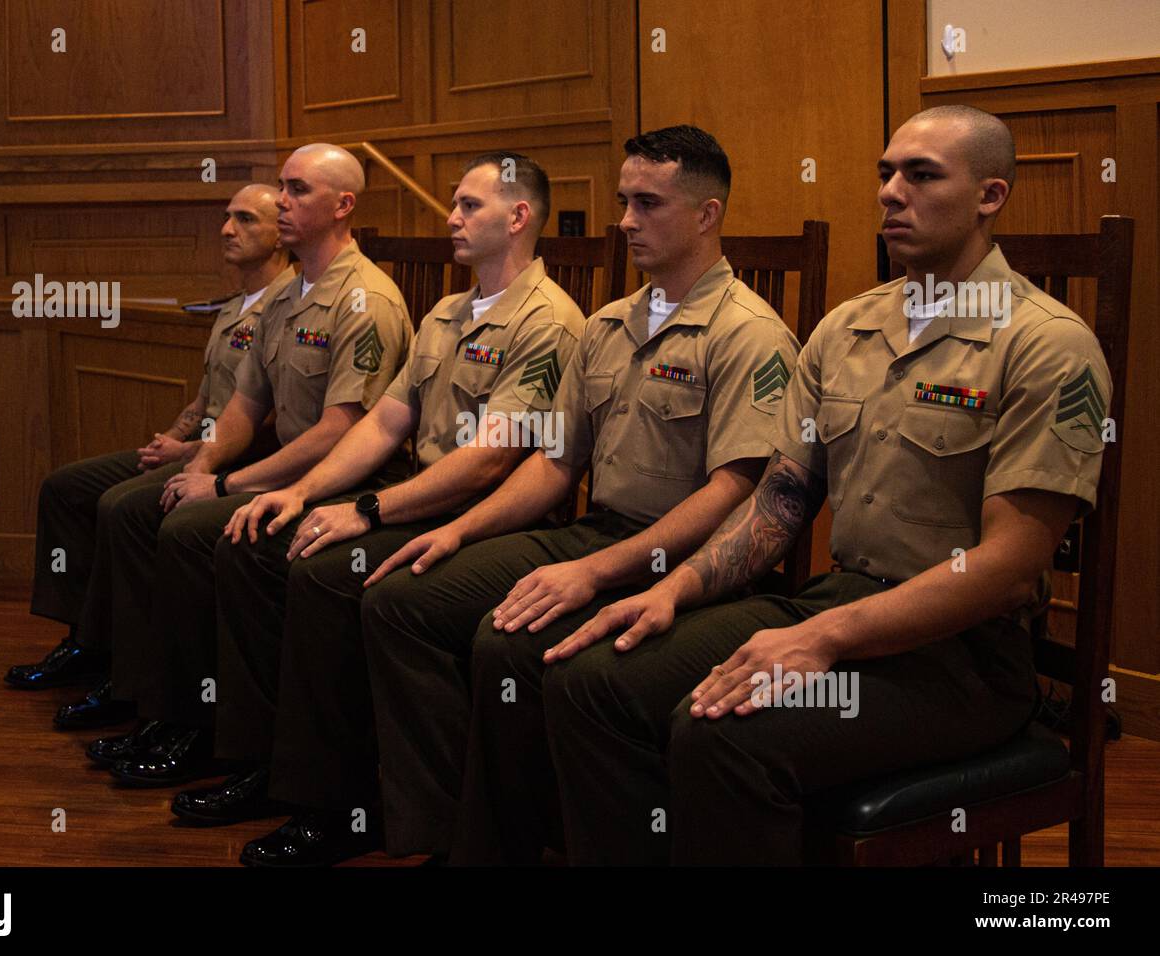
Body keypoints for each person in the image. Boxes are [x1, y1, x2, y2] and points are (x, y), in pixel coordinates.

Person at [541, 105, 1112, 865]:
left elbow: (1009, 565)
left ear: (990, 197)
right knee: (593, 679)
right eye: (885, 174)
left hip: (961, 658)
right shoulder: (846, 330)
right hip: (841, 604)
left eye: (922, 174)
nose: (890, 192)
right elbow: (781, 500)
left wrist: (821, 639)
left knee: (724, 736)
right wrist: (674, 589)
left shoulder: (1047, 345)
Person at [361, 124, 799, 865]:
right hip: (596, 530)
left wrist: (596, 573)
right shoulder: (608, 326)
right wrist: (461, 530)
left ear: (706, 214)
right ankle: (473, 838)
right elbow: (555, 465)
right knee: (404, 597)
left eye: (647, 203)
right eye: (624, 201)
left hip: (687, 560)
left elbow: (737, 493)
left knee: (515, 645)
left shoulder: (749, 334)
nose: (625, 220)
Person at [177, 151, 586, 868]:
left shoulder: (549, 321)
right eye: (455, 204)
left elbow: (491, 459)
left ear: (518, 217)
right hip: (422, 497)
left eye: (468, 206)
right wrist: (302, 492)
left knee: (332, 576)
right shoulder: (448, 311)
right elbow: (384, 423)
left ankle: (349, 806)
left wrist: (366, 511)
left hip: (494, 516)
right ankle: (273, 768)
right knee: (264, 541)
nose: (450, 218)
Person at [42, 144, 413, 735]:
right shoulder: (288, 293)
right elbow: (246, 403)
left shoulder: (365, 302)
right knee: (142, 508)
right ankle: (141, 691)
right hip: (285, 467)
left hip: (344, 476)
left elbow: (342, 429)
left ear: (343, 206)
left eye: (298, 191)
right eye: (283, 188)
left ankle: (194, 721)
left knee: (188, 534)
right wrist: (202, 463)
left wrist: (221, 483)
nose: (283, 201)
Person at [6, 183, 294, 695]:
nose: (227, 229)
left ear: (281, 235)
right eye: (227, 217)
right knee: (67, 488)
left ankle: (127, 667)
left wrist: (191, 452)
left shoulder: (285, 306)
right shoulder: (234, 306)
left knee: (123, 508)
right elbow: (205, 398)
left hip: (245, 457)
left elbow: (272, 416)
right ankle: (83, 640)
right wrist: (173, 436)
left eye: (246, 219)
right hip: (200, 445)